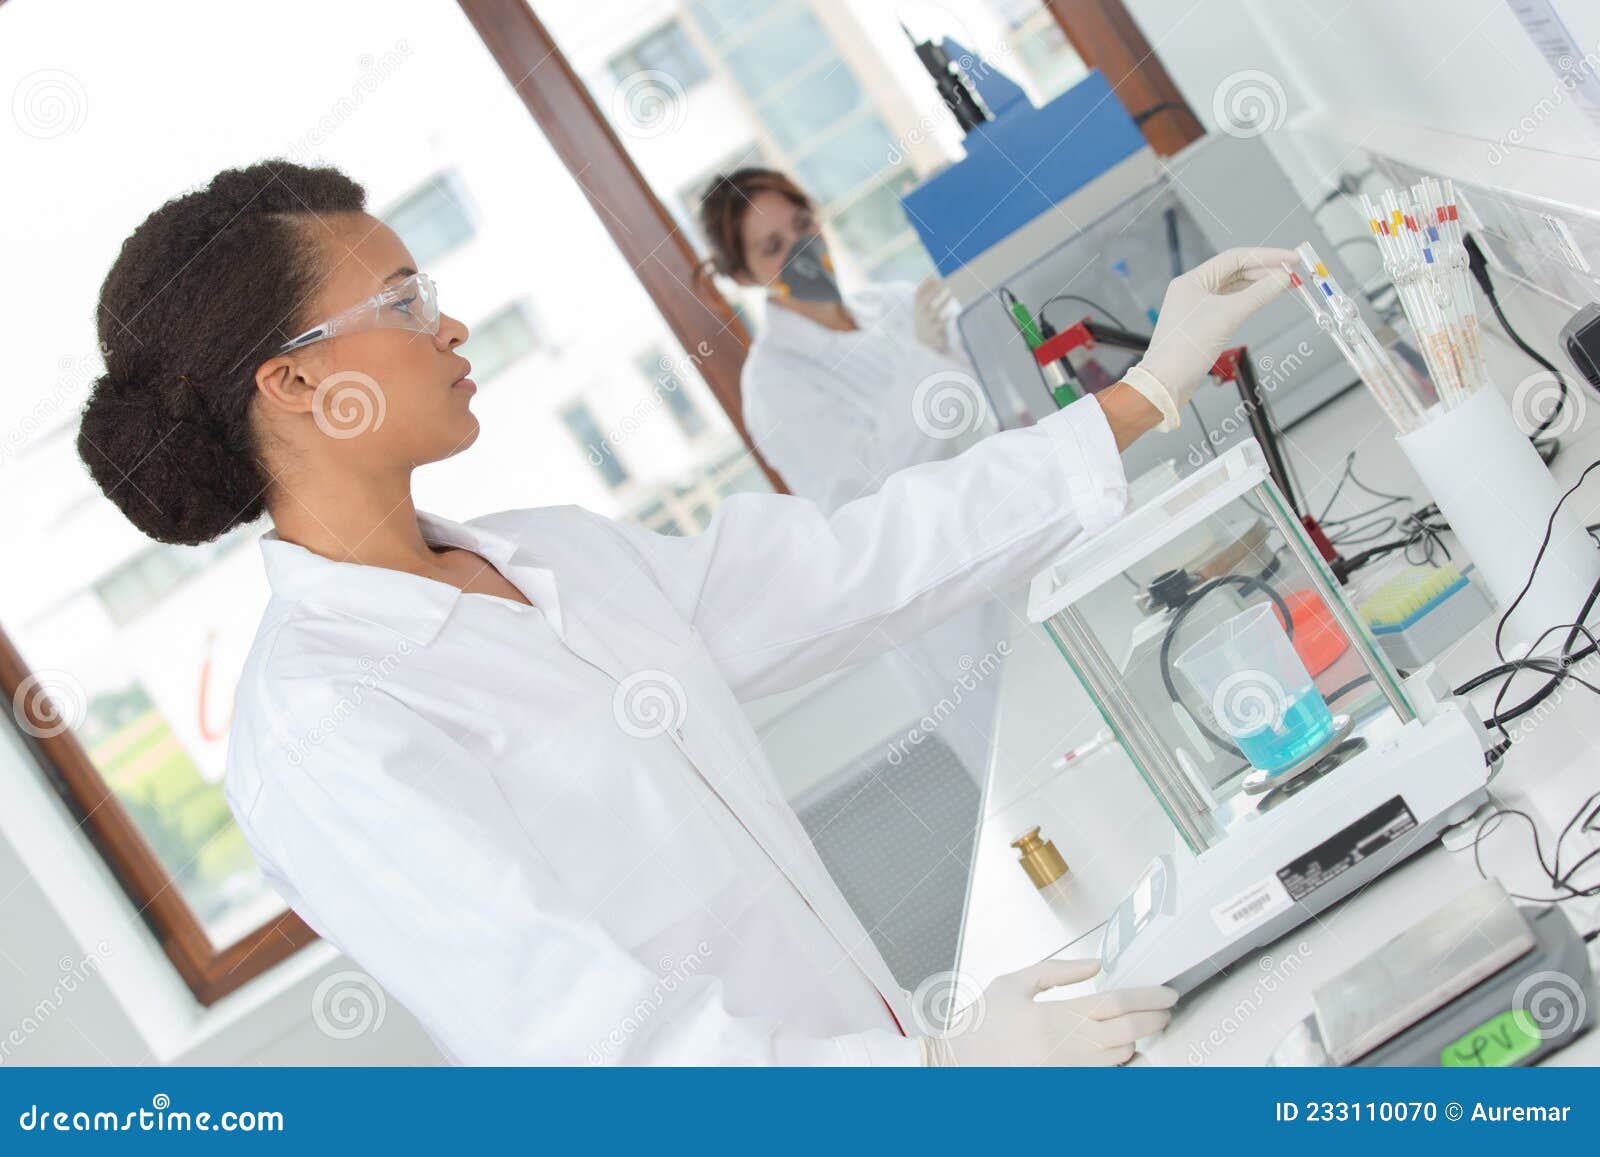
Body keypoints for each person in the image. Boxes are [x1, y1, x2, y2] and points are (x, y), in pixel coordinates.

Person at [77, 159, 1293, 1066]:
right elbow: (593, 1050)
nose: (447, 323)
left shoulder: (552, 557)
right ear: (292, 383)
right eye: (401, 302)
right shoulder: (325, 727)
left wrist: (1140, 394)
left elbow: (857, 562)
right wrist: (938, 1073)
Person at [699, 167, 1010, 788]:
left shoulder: (893, 306)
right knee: (1032, 773)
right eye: (772, 247)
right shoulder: (774, 382)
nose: (802, 250)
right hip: (941, 607)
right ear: (741, 277)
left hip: (1007, 536)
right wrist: (927, 361)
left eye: (803, 226)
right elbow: (868, 487)